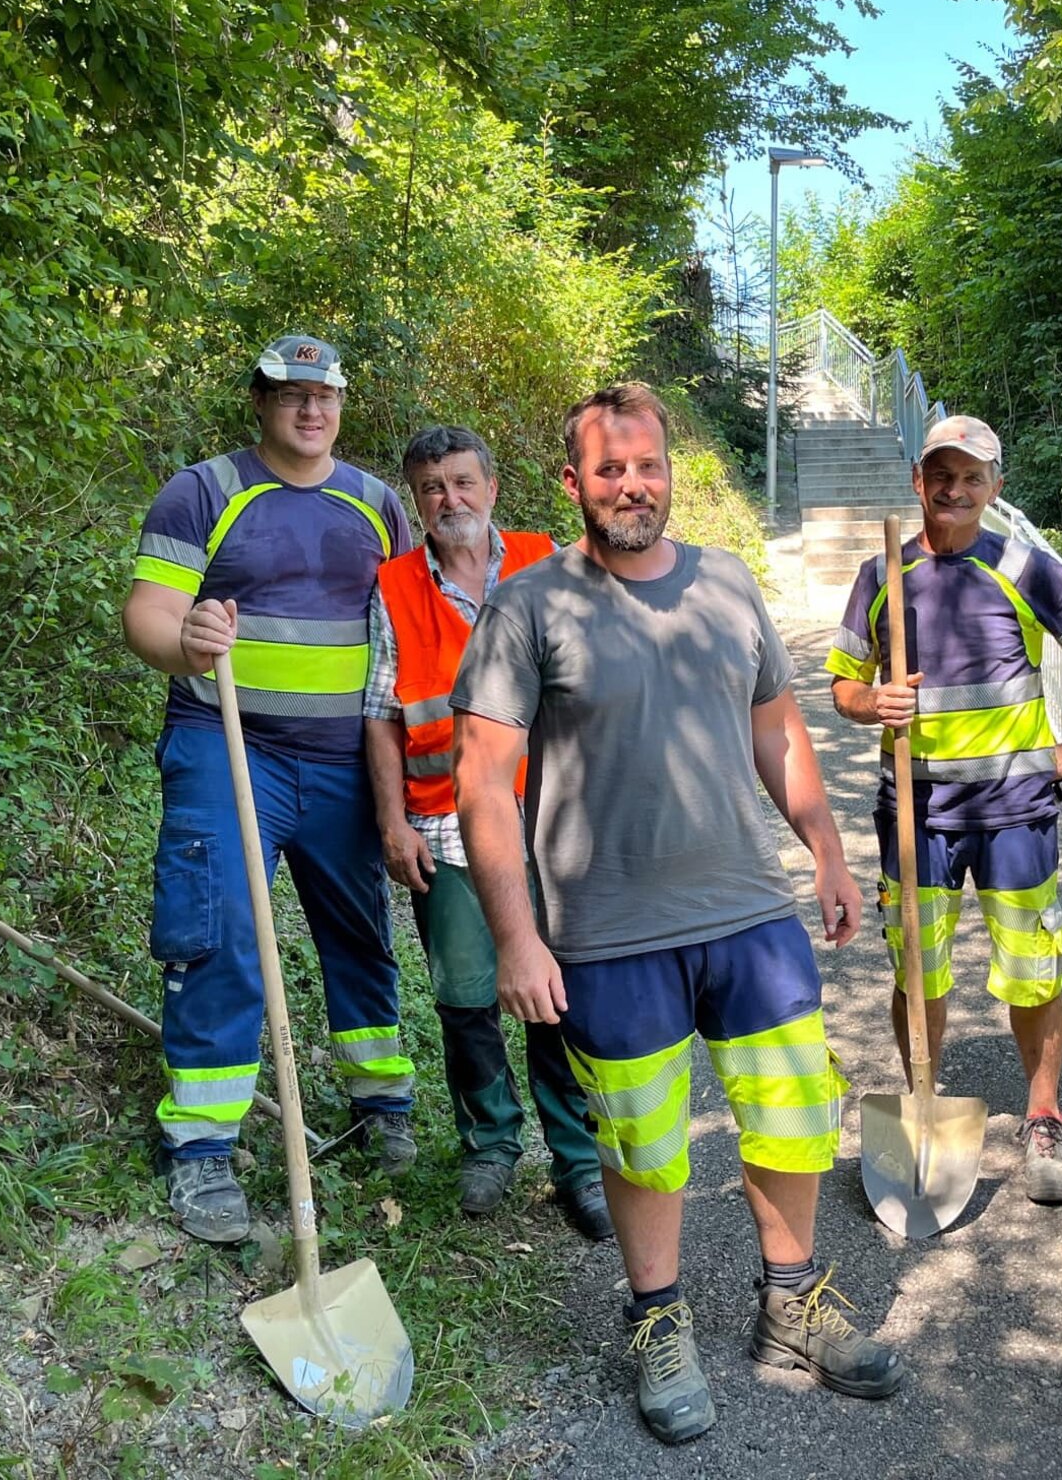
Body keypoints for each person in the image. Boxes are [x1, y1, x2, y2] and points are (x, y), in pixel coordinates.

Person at [452, 383, 906, 1445]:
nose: (630, 485)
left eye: (645, 466)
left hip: (746, 908)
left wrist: (827, 851)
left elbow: (777, 731)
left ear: (668, 472)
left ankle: (789, 1302)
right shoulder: (527, 608)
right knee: (646, 1144)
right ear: (572, 483)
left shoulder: (726, 585)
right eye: (607, 469)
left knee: (795, 1112)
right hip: (607, 932)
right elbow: (480, 784)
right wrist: (514, 936)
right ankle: (658, 1319)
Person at [123, 334, 419, 1244]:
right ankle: (205, 1145)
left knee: (359, 926)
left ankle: (383, 1100)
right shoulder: (204, 491)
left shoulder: (377, 505)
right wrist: (188, 643)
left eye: (324, 395)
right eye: (291, 395)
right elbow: (149, 615)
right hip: (226, 743)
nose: (310, 411)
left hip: (344, 759)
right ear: (261, 401)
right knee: (218, 930)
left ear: (341, 403)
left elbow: (418, 628)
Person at [826, 414, 1062, 1203]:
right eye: (942, 475)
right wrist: (874, 702)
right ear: (918, 481)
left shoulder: (1027, 567)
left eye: (971, 477)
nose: (954, 490)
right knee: (916, 967)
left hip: (1014, 812)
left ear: (995, 487)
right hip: (916, 815)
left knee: (1032, 970)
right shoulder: (881, 575)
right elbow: (841, 686)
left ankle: (1043, 1114)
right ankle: (921, 1105)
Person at [363, 425, 611, 1239]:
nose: (450, 500)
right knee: (465, 998)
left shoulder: (549, 559)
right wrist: (392, 819)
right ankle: (489, 1145)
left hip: (552, 820)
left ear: (492, 488)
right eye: (432, 488)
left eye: (463, 483)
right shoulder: (394, 585)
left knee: (555, 997)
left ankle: (578, 1160)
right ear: (416, 501)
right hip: (443, 827)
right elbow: (380, 714)